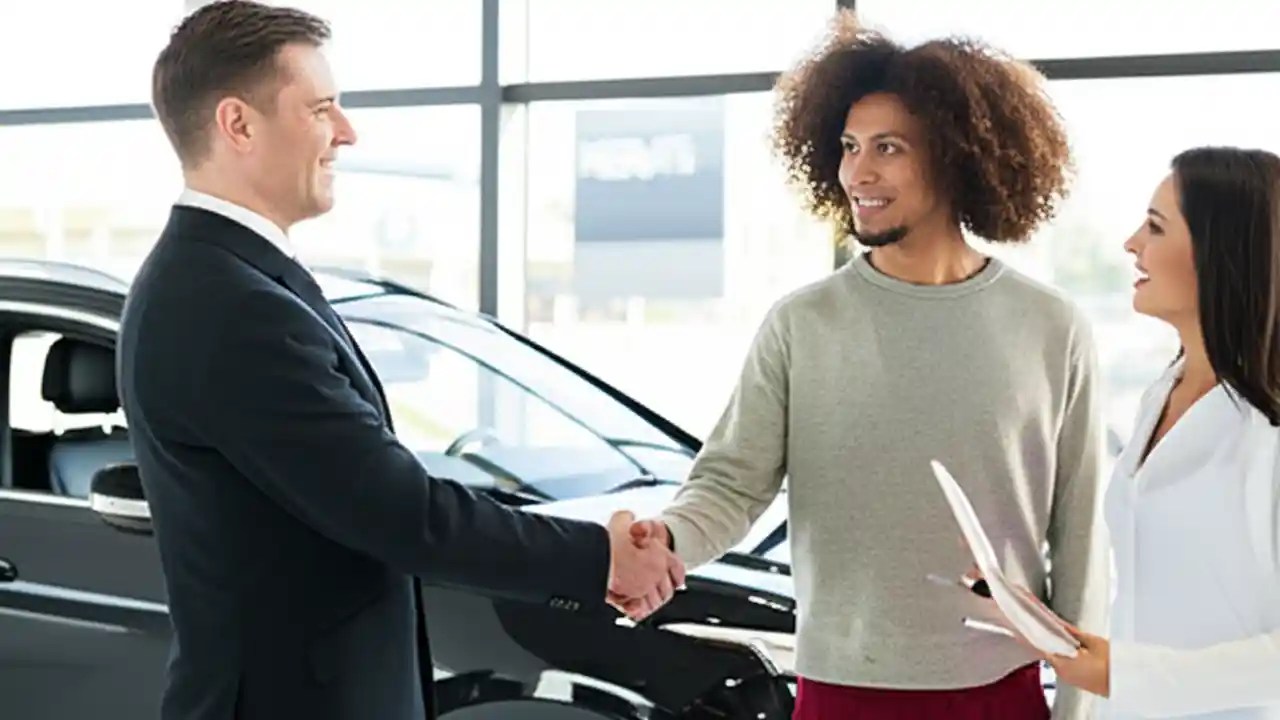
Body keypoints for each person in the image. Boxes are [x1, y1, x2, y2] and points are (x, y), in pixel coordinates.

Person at [116, 3, 681, 719]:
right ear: (238, 124)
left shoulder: (231, 279)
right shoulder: (227, 305)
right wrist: (597, 556)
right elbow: (399, 511)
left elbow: (375, 488)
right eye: (321, 108)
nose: (346, 132)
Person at [614, 11, 1109, 720]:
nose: (858, 172)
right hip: (841, 691)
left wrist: (1080, 711)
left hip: (1002, 694)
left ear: (957, 154)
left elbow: (1082, 534)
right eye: (848, 146)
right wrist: (667, 542)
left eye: (888, 148)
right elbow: (729, 483)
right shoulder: (802, 323)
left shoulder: (1051, 327)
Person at [1023, 146, 1280, 719]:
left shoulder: (1269, 431)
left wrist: (1123, 672)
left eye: (1156, 227)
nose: (1132, 242)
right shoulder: (1160, 392)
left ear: (1220, 254)